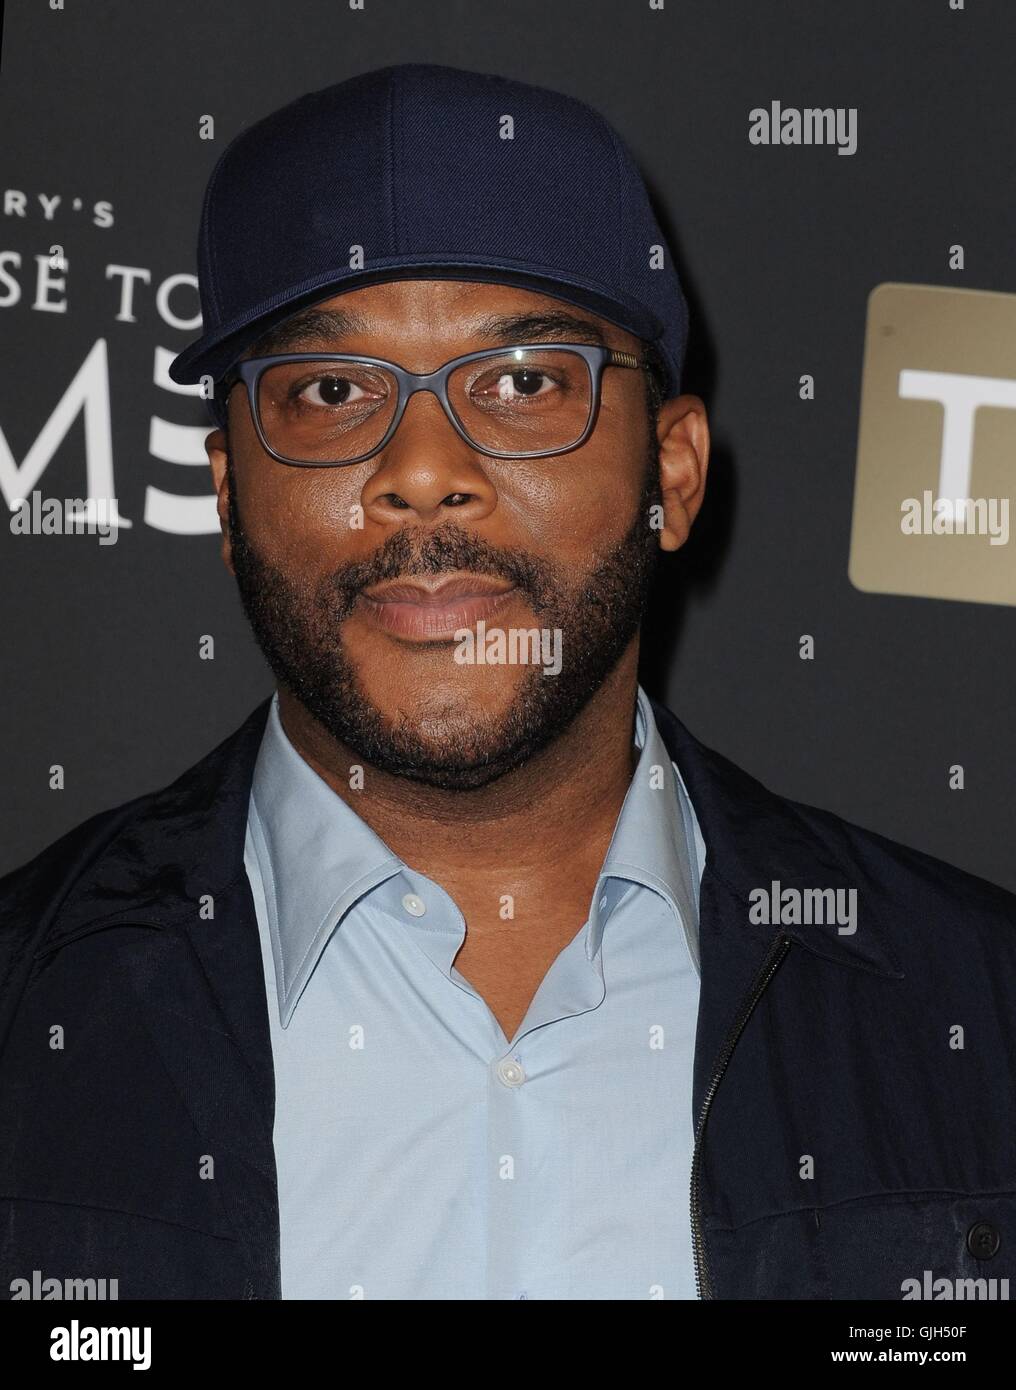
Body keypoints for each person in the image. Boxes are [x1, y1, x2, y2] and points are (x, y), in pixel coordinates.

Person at [2, 62, 1015, 1303]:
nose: (422, 471)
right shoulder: (31, 1009)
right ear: (224, 492)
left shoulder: (975, 1011)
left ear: (673, 473)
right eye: (329, 392)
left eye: (525, 382)